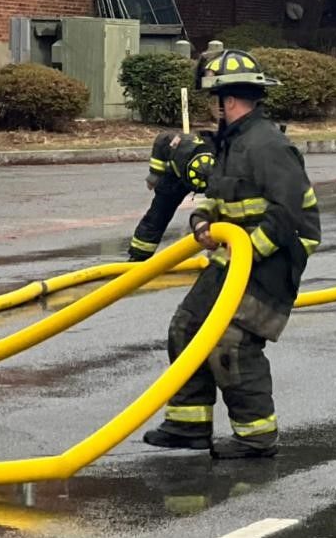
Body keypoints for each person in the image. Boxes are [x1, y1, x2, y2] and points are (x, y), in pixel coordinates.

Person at [141, 49, 321, 459]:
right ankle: (189, 425)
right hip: (235, 255)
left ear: (229, 100)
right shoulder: (231, 142)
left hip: (274, 257)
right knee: (186, 326)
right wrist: (202, 221)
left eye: (215, 100)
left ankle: (257, 436)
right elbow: (218, 195)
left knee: (232, 341)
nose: (213, 109)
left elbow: (289, 216)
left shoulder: (268, 146)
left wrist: (248, 254)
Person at [128, 129, 217, 261]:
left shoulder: (221, 152)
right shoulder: (182, 145)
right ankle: (138, 256)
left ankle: (218, 253)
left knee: (221, 211)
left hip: (213, 182)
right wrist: (154, 174)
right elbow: (161, 140)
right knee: (158, 215)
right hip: (174, 179)